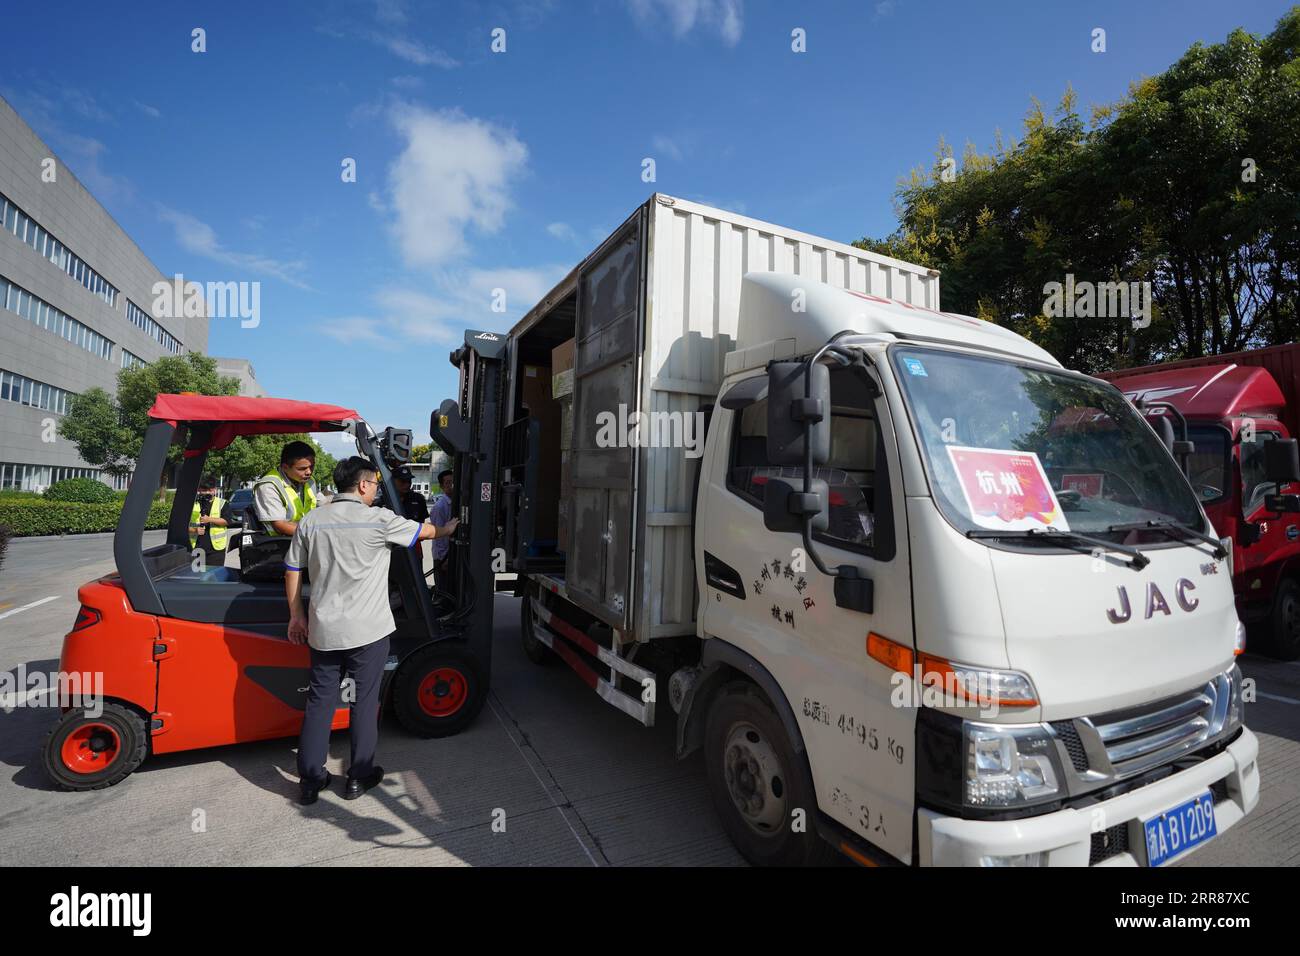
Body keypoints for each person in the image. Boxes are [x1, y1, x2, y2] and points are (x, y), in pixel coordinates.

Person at [286, 455, 458, 805]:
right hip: (368, 631)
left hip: (324, 630)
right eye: (376, 484)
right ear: (363, 485)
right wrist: (448, 530)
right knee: (364, 703)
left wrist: (296, 615)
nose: (377, 489)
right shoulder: (379, 520)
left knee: (319, 702)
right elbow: (423, 531)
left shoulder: (312, 521)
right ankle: (358, 777)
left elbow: (292, 568)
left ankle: (310, 780)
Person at [241, 441, 318, 579]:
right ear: (285, 467)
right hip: (279, 549)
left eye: (312, 466)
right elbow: (279, 525)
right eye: (302, 468)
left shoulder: (309, 481)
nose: (309, 472)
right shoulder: (269, 485)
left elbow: (321, 506)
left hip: (302, 542)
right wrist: (317, 533)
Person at [188, 476, 229, 566]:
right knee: (197, 576)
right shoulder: (193, 504)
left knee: (214, 576)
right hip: (197, 548)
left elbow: (227, 521)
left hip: (216, 550)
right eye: (204, 490)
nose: (207, 492)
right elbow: (183, 526)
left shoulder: (222, 503)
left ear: (214, 490)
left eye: (210, 490)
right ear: (199, 490)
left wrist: (209, 519)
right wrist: (195, 530)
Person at [429, 469, 454, 590]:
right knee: (443, 589)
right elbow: (438, 534)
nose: (451, 485)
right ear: (441, 486)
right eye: (448, 483)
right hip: (442, 557)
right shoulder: (440, 506)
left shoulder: (456, 503)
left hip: (451, 554)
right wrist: (443, 558)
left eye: (453, 482)